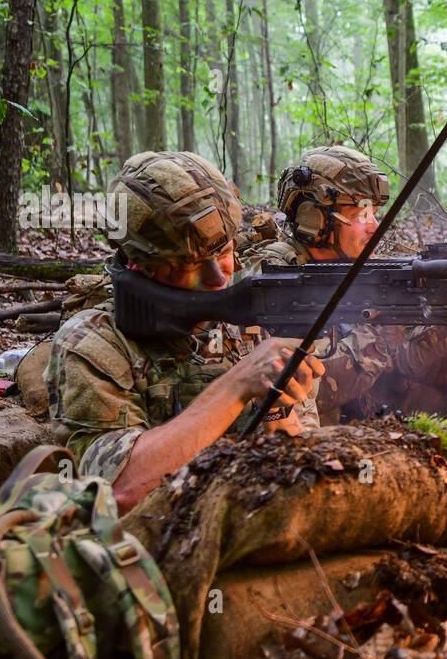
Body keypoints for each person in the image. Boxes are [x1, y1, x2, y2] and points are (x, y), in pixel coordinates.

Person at [47, 150, 324, 513]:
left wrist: (275, 409)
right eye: (190, 264)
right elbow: (122, 490)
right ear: (140, 265)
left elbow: (304, 464)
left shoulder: (250, 318)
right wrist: (238, 384)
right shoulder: (94, 343)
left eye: (224, 250)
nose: (218, 275)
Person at [240, 146, 447, 423]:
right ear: (314, 217)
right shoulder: (272, 279)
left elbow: (400, 364)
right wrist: (380, 338)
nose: (374, 226)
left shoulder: (348, 265)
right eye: (362, 215)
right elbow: (299, 392)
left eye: (374, 214)